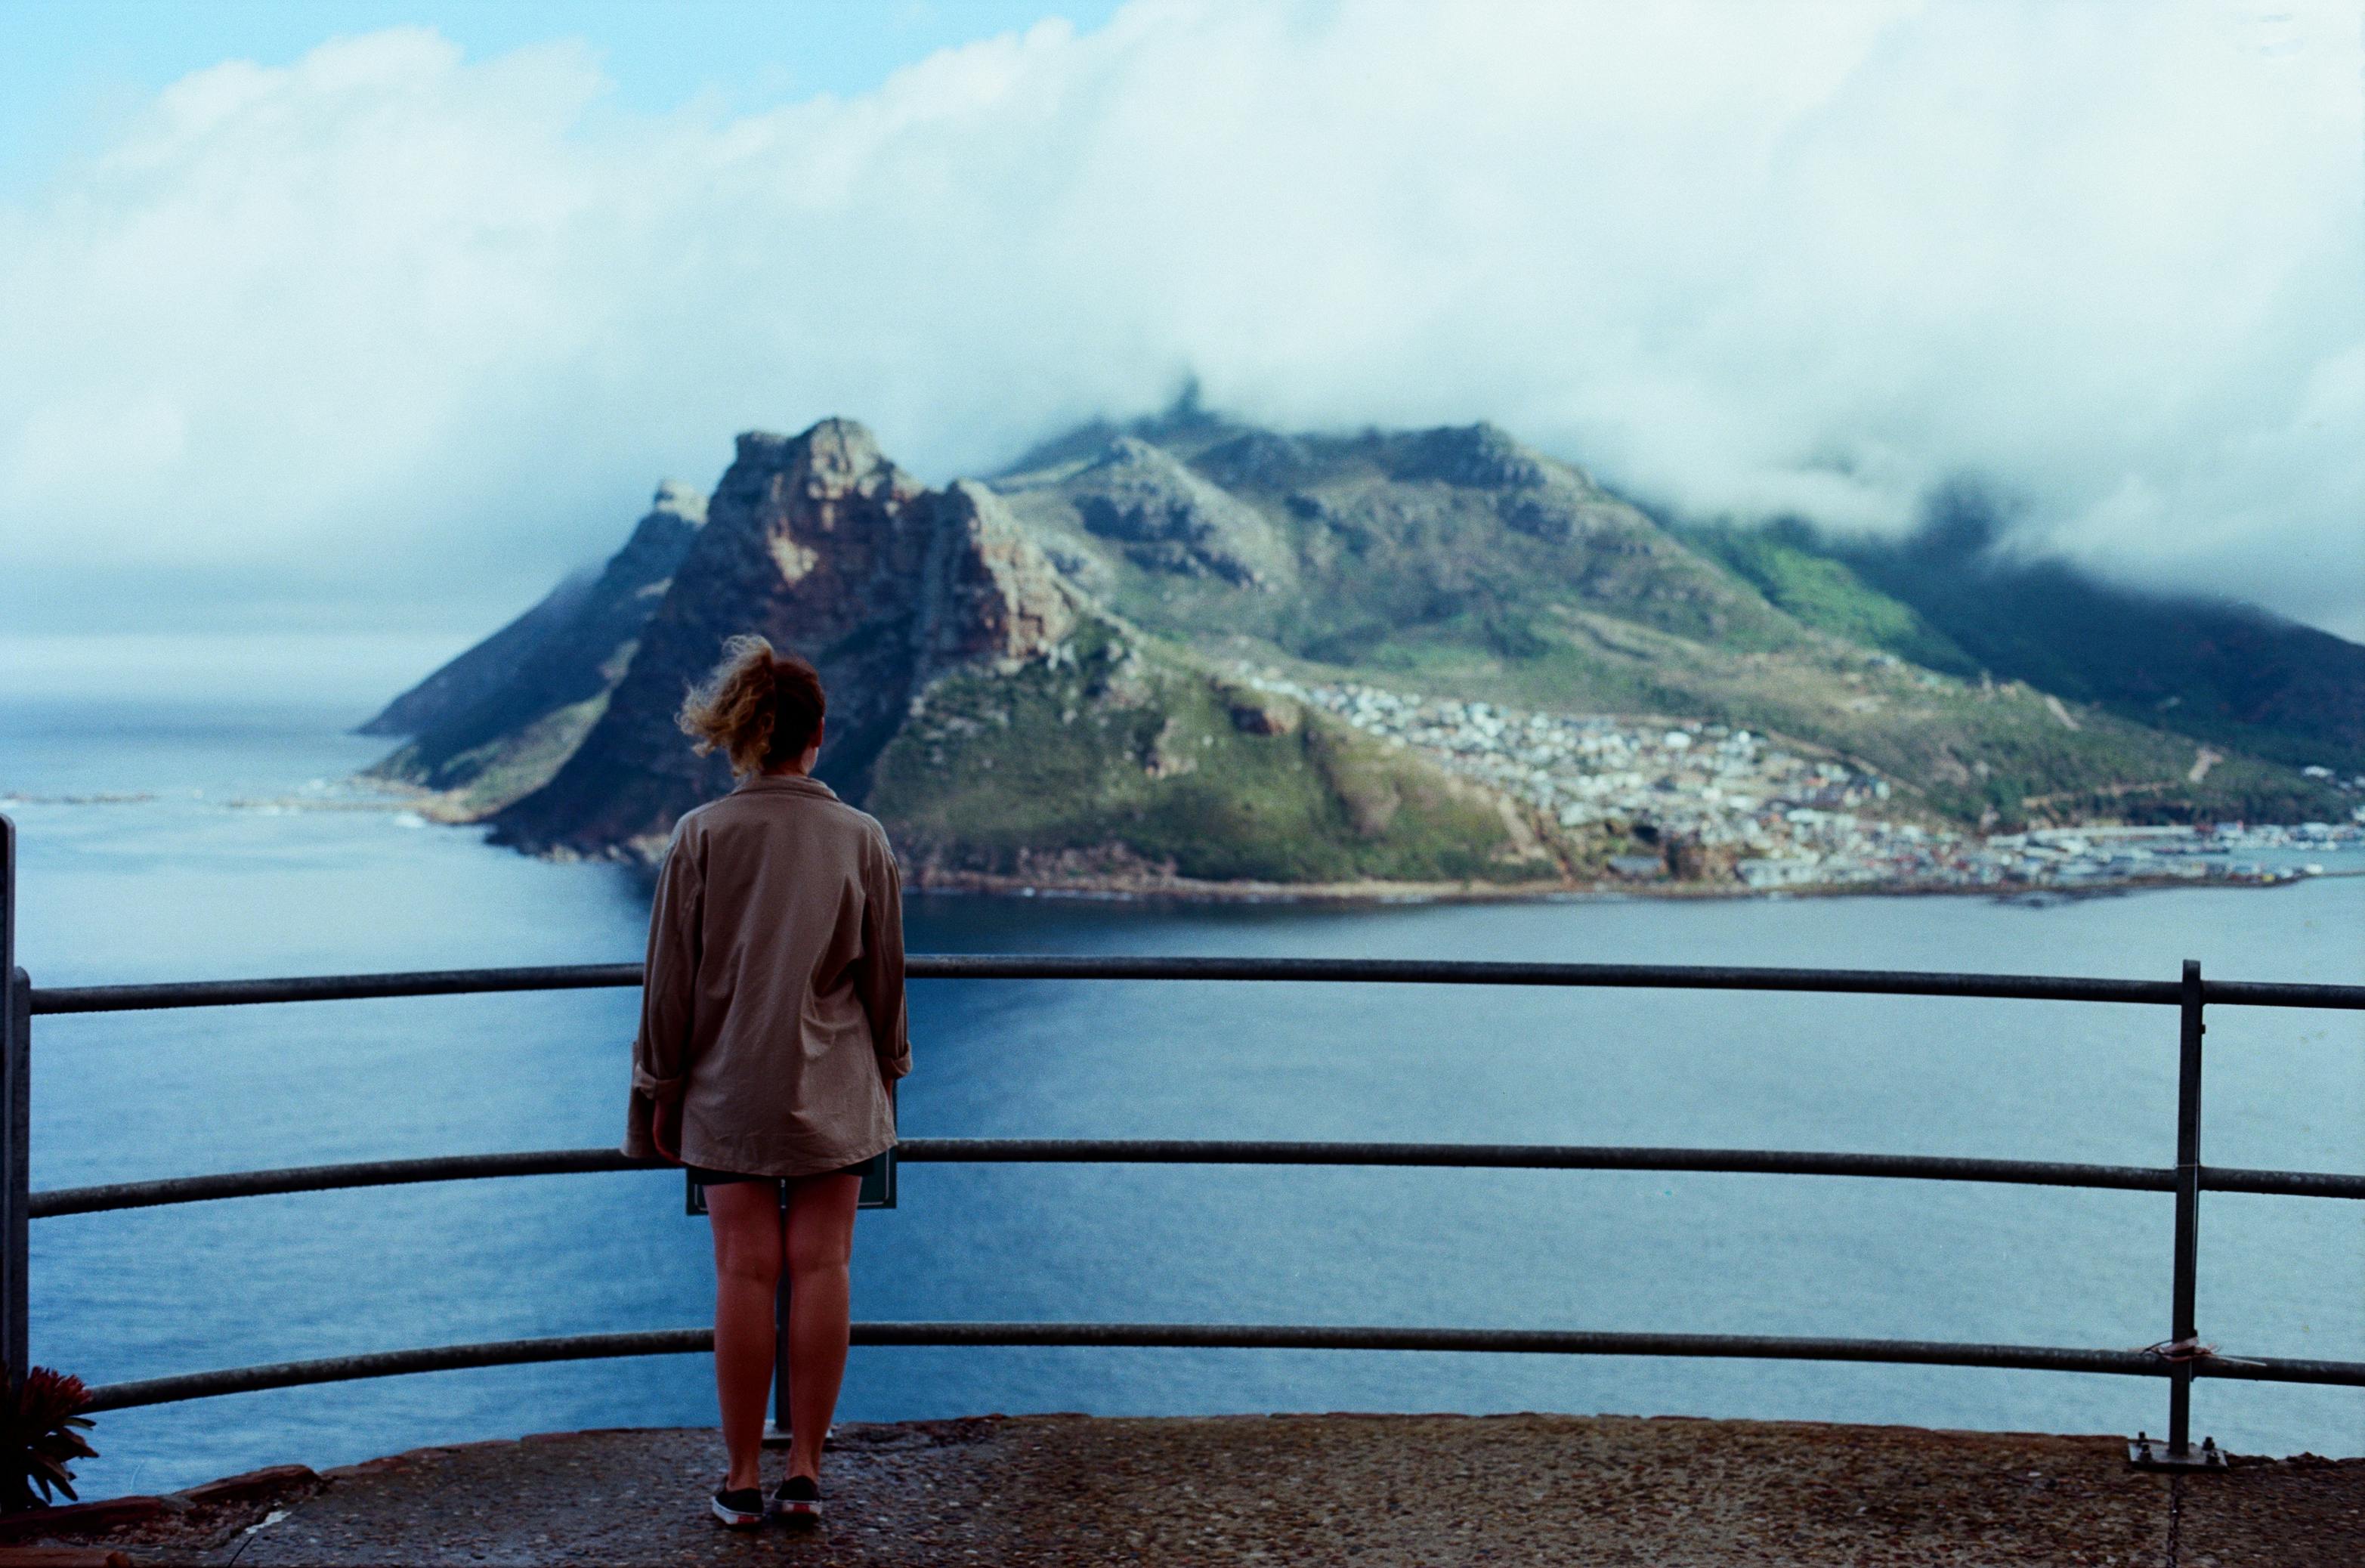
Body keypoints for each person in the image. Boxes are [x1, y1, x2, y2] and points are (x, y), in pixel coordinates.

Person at [621, 634, 910, 1529]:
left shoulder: (699, 835)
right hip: (836, 1087)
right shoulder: (862, 837)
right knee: (823, 1266)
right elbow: (885, 982)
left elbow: (668, 982)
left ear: (744, 736)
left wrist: (658, 1090)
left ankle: (742, 1475)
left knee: (744, 1274)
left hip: (726, 1088)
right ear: (818, 732)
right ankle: (808, 1473)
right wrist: (888, 1075)